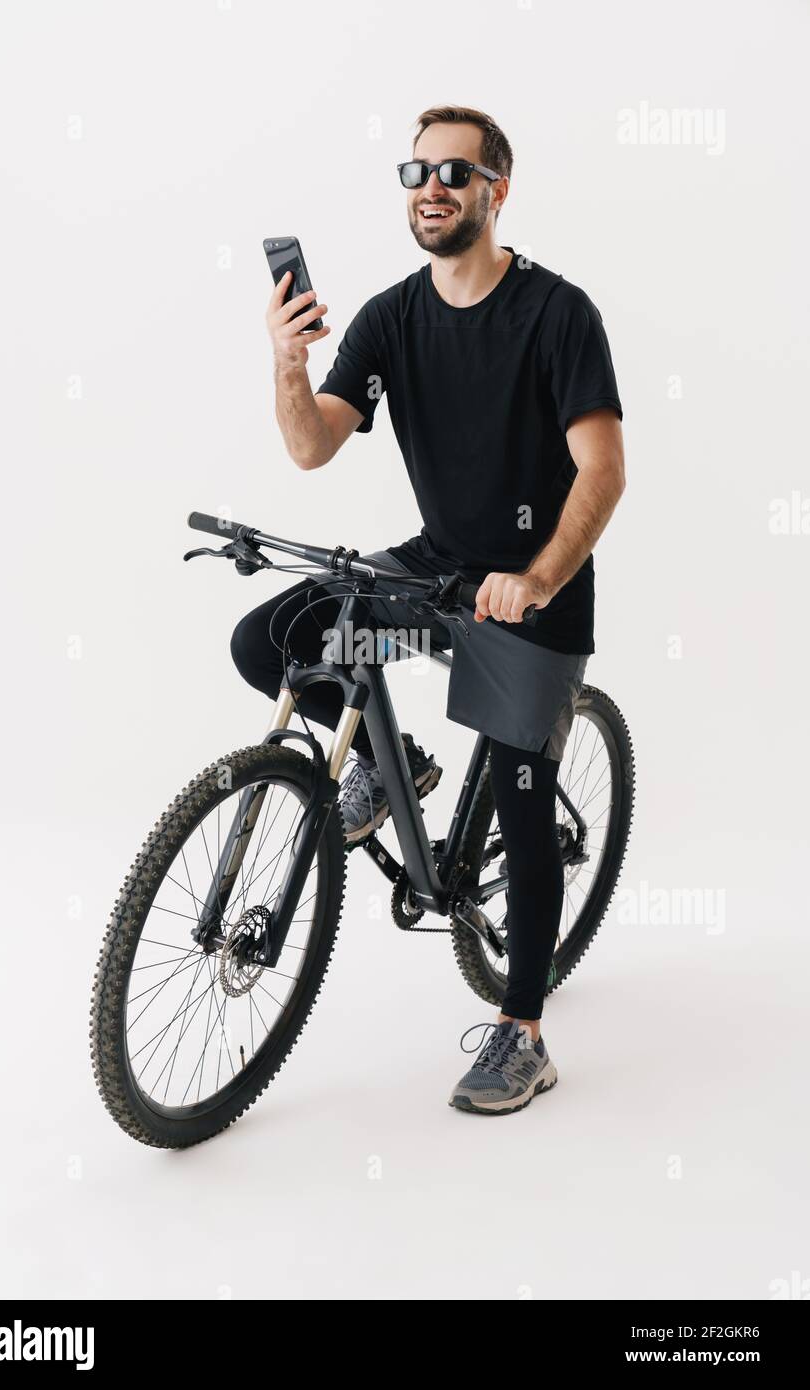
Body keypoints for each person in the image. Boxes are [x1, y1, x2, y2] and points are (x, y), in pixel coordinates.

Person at [232, 104, 625, 1116]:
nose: (433, 186)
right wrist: (287, 361)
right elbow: (316, 444)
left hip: (529, 595)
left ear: (499, 188)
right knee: (273, 637)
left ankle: (523, 1029)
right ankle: (392, 766)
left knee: (526, 809)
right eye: (417, 171)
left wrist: (536, 577)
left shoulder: (557, 313)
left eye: (457, 170)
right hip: (433, 575)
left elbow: (603, 470)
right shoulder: (393, 315)